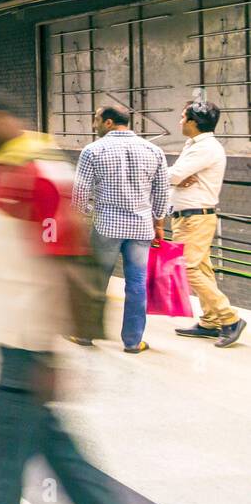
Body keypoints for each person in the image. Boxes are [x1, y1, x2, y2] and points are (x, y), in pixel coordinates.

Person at [0, 83, 134, 504]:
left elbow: (64, 262)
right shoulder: (5, 169)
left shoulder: (41, 173)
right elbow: (15, 244)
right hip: (11, 342)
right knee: (63, 462)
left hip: (27, 348)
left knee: (2, 467)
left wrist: (48, 354)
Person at [72, 105, 170, 354]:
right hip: (141, 228)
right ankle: (133, 341)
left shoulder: (93, 150)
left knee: (96, 280)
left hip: (107, 226)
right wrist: (158, 223)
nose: (93, 125)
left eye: (95, 120)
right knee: (136, 284)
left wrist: (78, 218)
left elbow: (80, 191)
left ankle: (85, 335)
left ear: (107, 122)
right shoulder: (154, 150)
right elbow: (161, 193)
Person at [168, 100, 246, 347]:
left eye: (183, 117)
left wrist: (173, 177)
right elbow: (177, 176)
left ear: (193, 122)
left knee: (189, 268)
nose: (180, 121)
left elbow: (173, 175)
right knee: (201, 268)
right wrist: (176, 178)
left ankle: (229, 318)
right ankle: (211, 321)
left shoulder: (205, 148)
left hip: (195, 217)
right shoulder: (195, 145)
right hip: (189, 216)